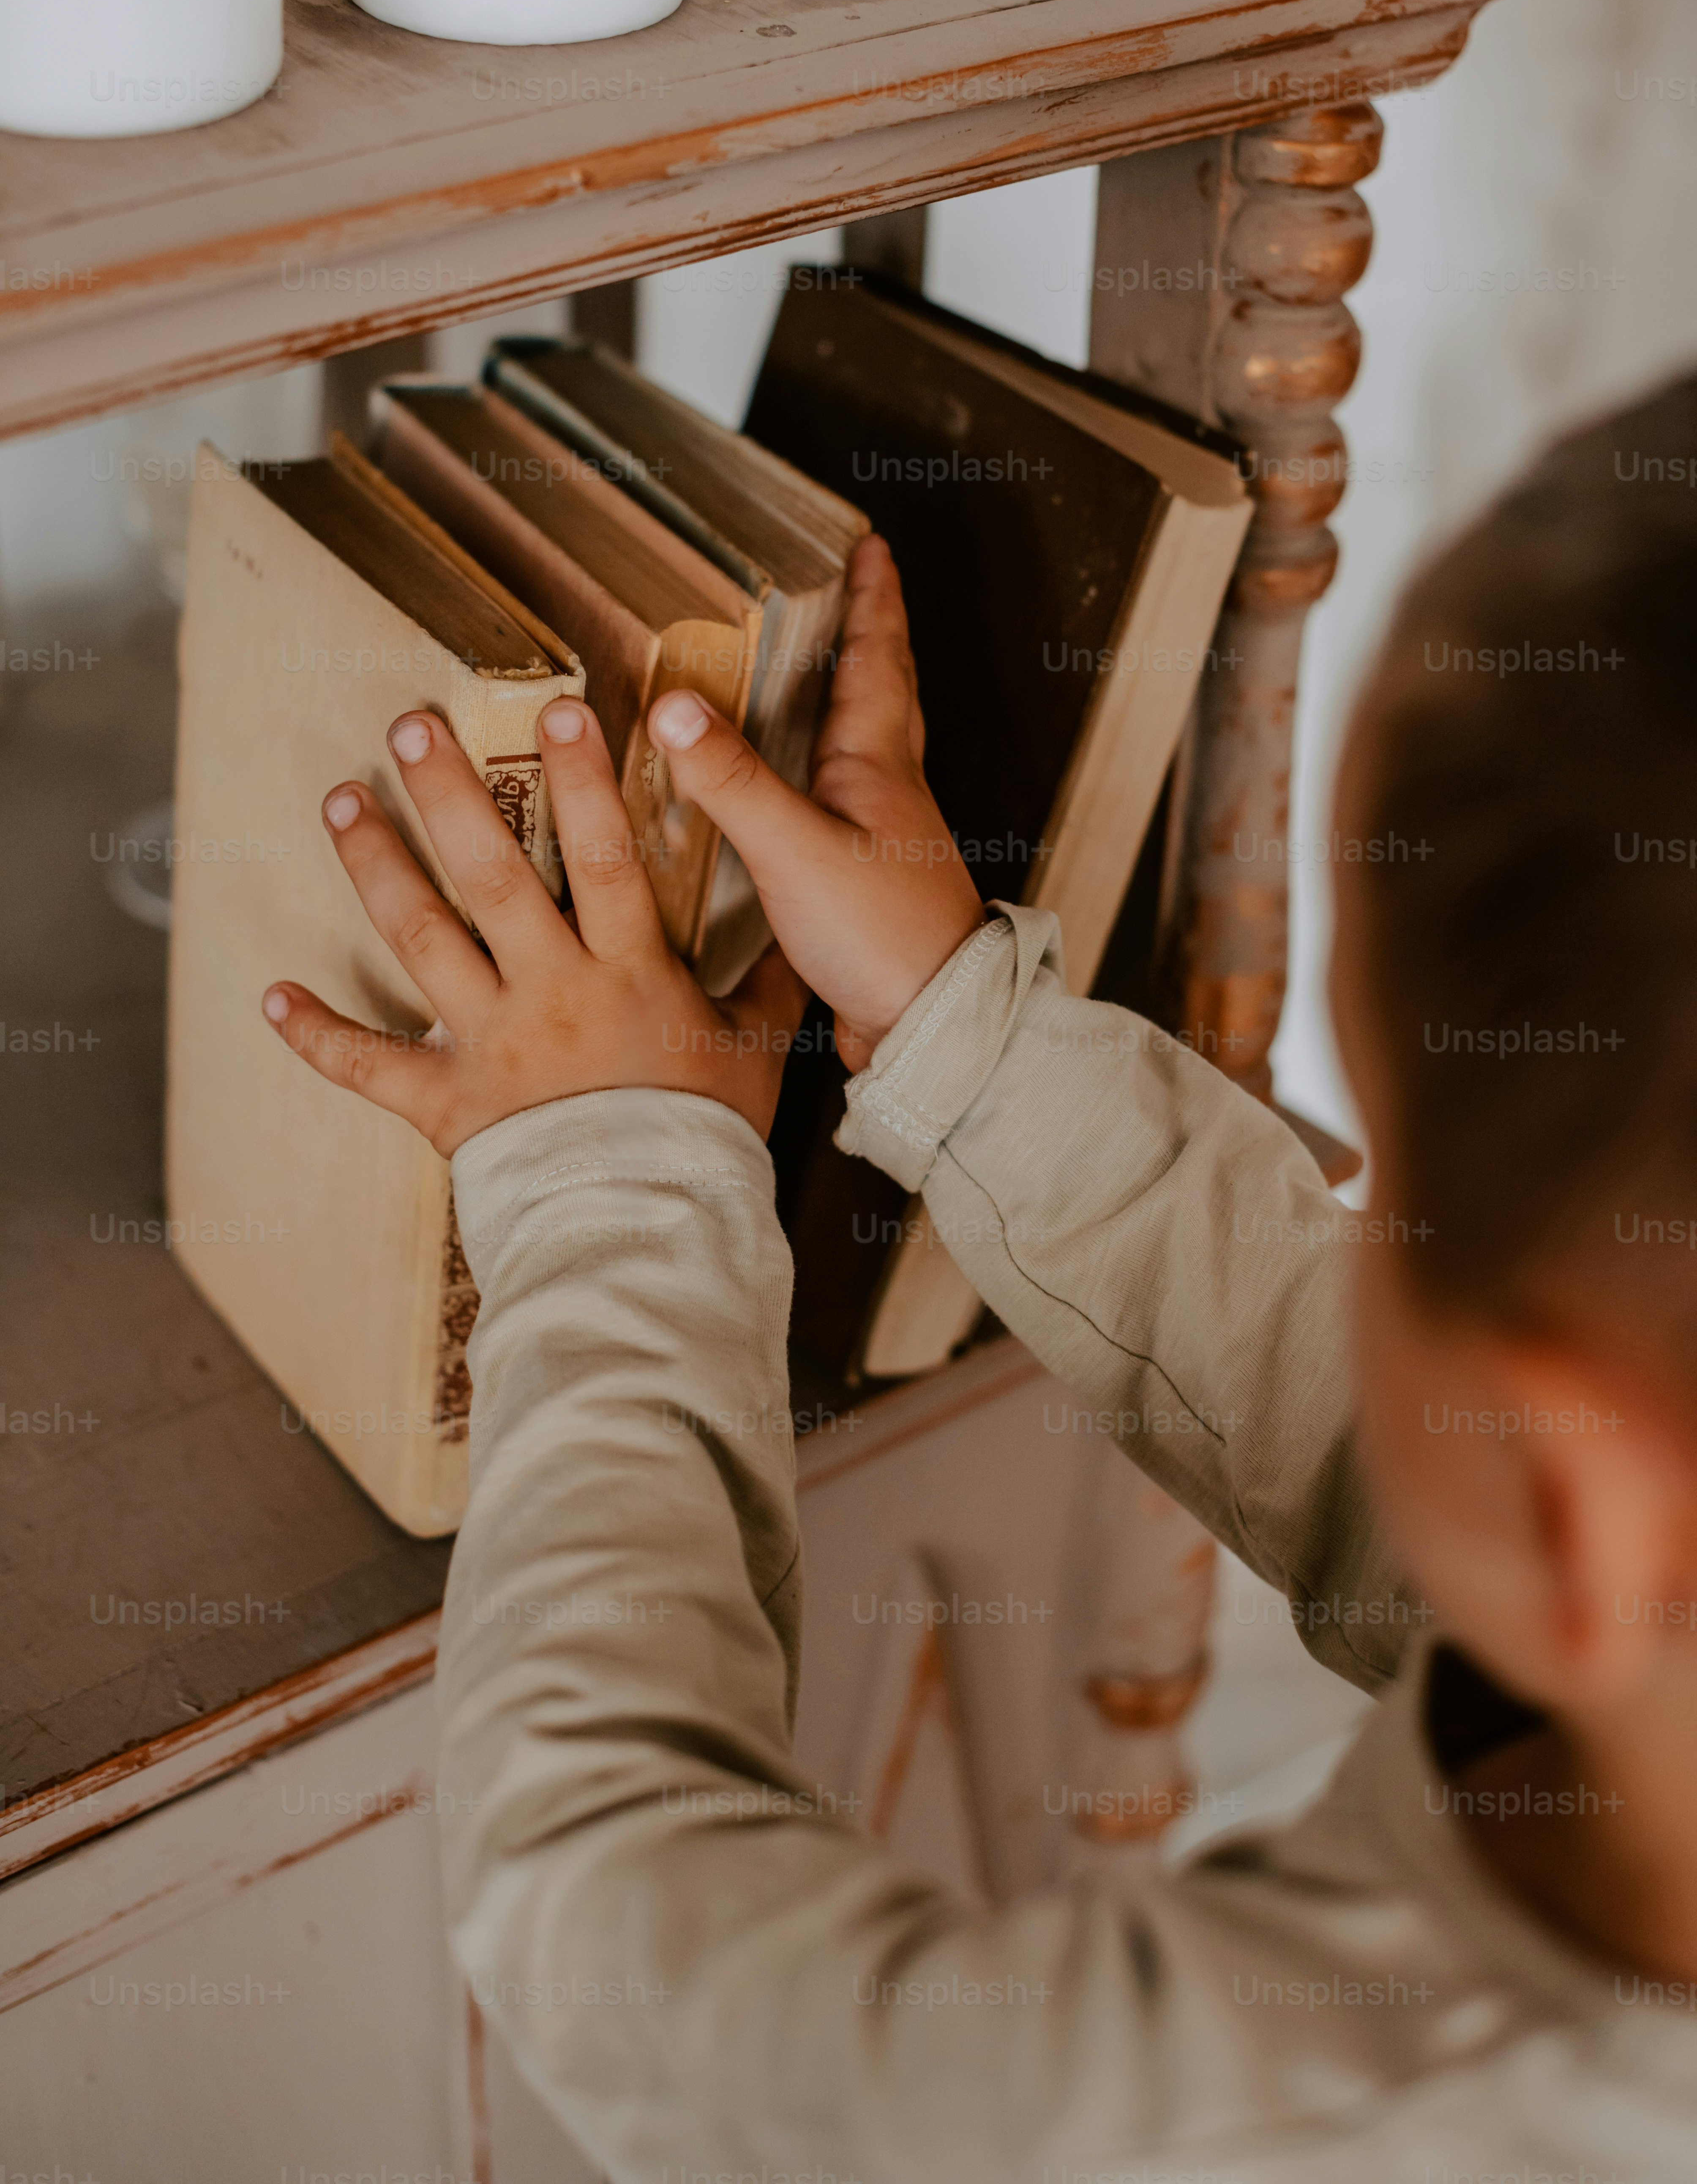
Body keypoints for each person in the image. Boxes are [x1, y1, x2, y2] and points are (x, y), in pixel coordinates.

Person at [262, 469, 1697, 2179]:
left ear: (1570, 1506)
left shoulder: (1231, 2120)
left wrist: (603, 1178)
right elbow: (1371, 1448)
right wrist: (964, 1034)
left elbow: (614, 1910)